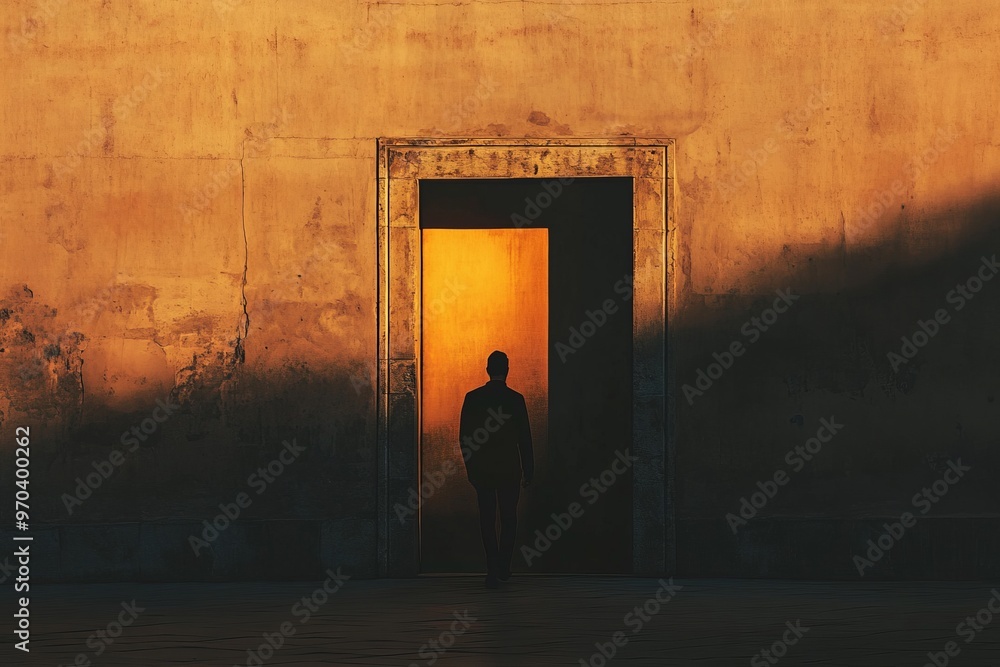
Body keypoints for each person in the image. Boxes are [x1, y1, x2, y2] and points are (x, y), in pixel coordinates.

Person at [459, 350, 534, 588]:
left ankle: (492, 567)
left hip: (483, 469)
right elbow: (524, 438)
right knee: (509, 518)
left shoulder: (472, 398)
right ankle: (504, 565)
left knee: (487, 518)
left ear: (487, 369)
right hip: (509, 468)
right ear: (507, 370)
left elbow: (465, 438)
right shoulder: (516, 399)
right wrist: (528, 469)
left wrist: (471, 469)